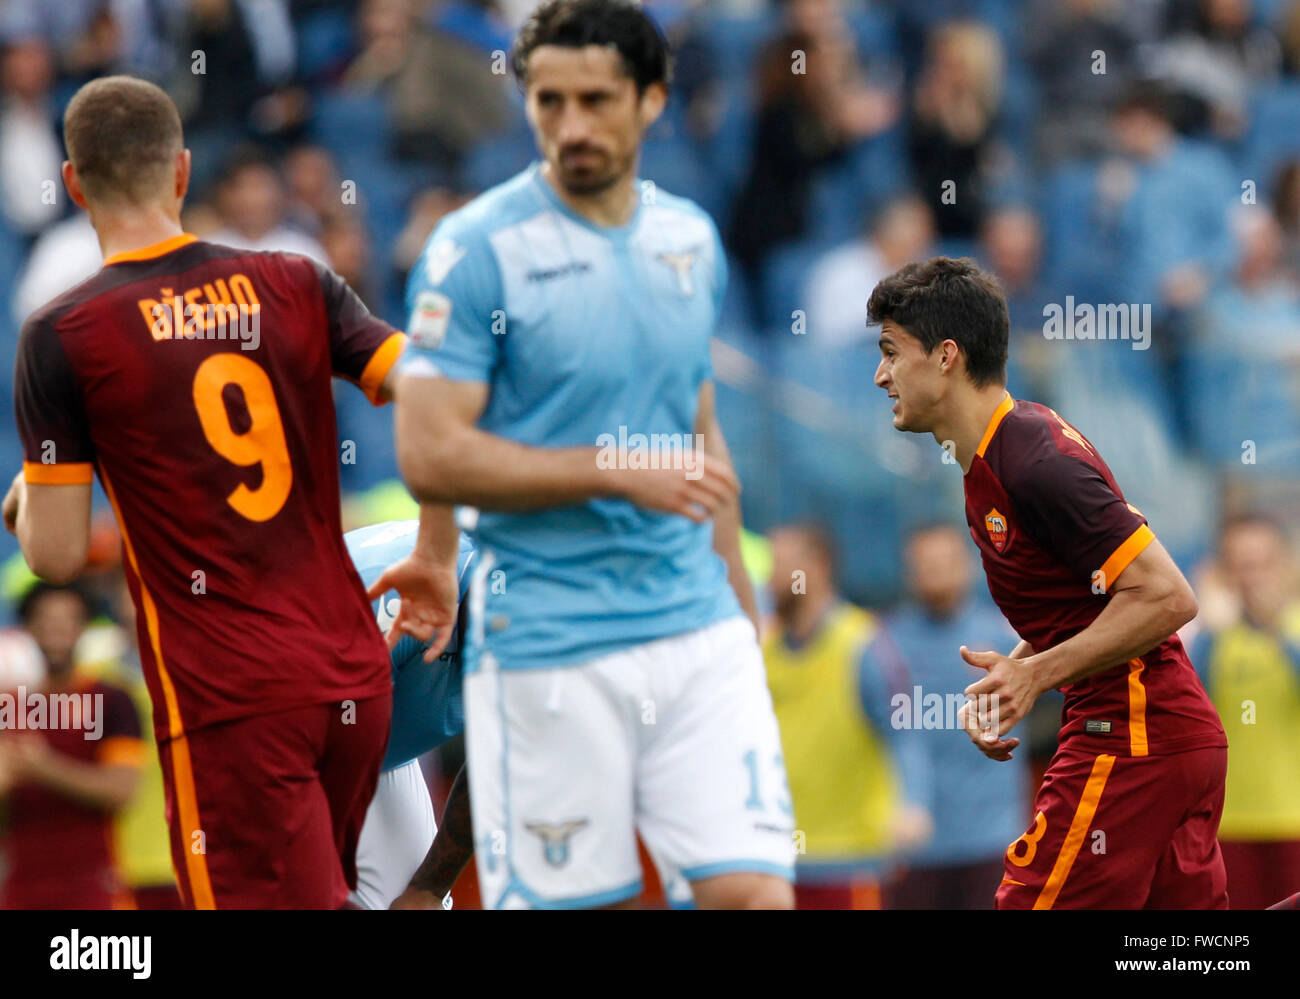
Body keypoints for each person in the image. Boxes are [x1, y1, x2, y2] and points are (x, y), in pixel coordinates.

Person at [378, 0, 795, 909]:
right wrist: (606, 469)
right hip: (546, 637)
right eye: (549, 101)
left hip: (691, 626)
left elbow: (701, 439)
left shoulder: (689, 239)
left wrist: (743, 626)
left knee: (754, 892)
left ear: (651, 99)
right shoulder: (472, 251)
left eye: (596, 100)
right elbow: (430, 452)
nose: (571, 125)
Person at [2, 75, 414, 909]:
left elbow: (54, 555)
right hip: (351, 679)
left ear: (74, 183)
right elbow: (435, 389)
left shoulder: (65, 332)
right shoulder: (296, 278)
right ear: (184, 171)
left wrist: (25, 500)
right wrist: (437, 550)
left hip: (232, 701)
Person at [869, 256, 1228, 909]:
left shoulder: (1033, 460)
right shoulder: (997, 458)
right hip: (1163, 738)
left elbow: (1168, 596)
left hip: (1131, 737)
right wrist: (1017, 671)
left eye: (892, 352)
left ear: (946, 355)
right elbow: (1089, 596)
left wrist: (1035, 675)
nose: (880, 374)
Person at [762, 523, 932, 909]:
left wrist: (914, 805)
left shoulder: (862, 642)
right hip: (778, 859)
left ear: (817, 566)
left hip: (850, 861)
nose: (770, 578)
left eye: (781, 565)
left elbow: (904, 730)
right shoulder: (764, 646)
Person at [881, 523, 1027, 910]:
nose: (935, 573)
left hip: (992, 836)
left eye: (944, 562)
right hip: (913, 840)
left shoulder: (1006, 638)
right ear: (909, 571)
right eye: (925, 564)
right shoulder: (884, 643)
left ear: (966, 566)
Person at [344, 519, 478, 911]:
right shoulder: (392, 605)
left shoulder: (554, 625)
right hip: (263, 725)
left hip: (367, 742)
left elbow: (504, 755)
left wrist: (429, 888)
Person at [0, 581, 142, 909]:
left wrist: (43, 768)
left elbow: (122, 790)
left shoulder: (112, 700)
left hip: (93, 883)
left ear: (84, 627)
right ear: (28, 628)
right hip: (21, 884)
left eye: (67, 621)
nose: (56, 633)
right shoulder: (10, 706)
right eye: (46, 621)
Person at [1190, 514, 1300, 909]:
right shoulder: (1211, 636)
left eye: (1262, 564)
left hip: (1293, 820)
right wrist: (1208, 633)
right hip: (1226, 823)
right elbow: (1186, 709)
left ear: (1285, 565)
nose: (1253, 579)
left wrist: (1275, 631)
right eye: (1241, 566)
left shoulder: (1295, 627)